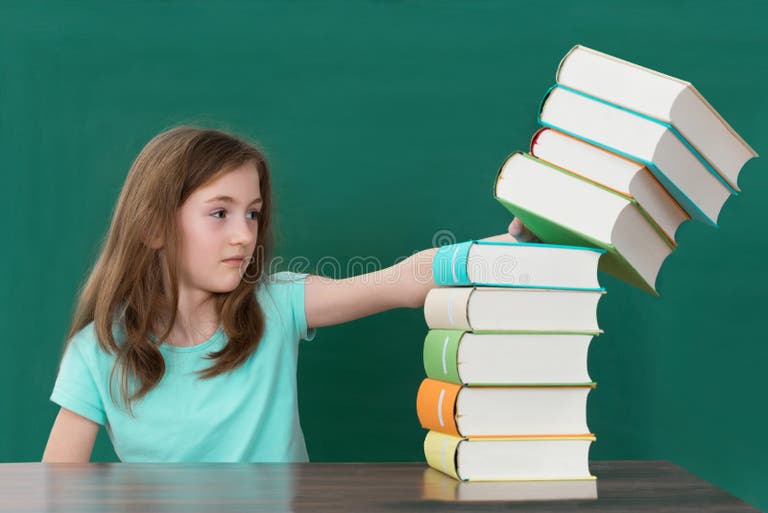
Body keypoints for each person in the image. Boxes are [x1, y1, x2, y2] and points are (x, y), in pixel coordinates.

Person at [41, 126, 537, 463]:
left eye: (252, 213)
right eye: (220, 213)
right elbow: (56, 489)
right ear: (152, 226)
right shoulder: (97, 351)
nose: (243, 234)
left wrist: (512, 245)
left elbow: (404, 281)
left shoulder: (275, 304)